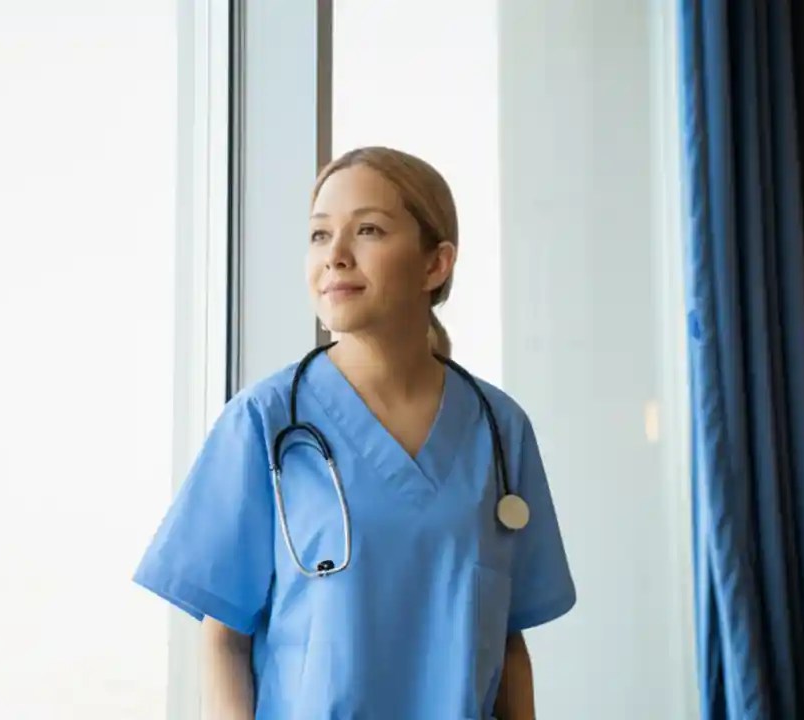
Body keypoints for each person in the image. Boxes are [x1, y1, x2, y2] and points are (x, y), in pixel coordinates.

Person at [133, 146, 576, 719]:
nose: (336, 256)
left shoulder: (499, 429)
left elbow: (508, 643)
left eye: (368, 230)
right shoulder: (265, 420)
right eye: (320, 234)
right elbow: (223, 639)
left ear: (435, 265)